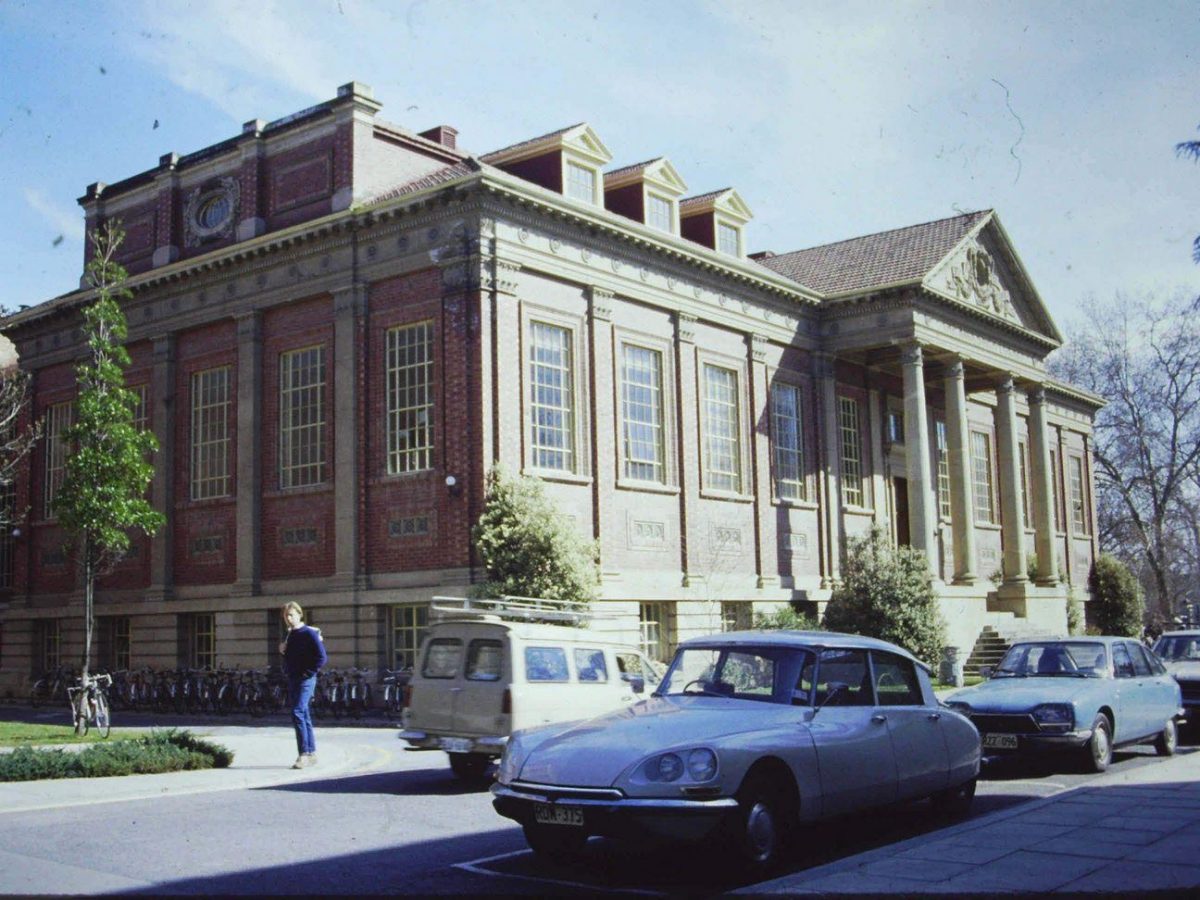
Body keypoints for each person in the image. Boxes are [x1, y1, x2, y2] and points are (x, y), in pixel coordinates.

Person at [280, 601, 327, 769]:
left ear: (300, 614)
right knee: (304, 714)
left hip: (306, 679)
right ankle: (311, 753)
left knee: (297, 712)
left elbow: (321, 657)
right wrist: (283, 650)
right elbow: (291, 657)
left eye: (291, 614)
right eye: (286, 616)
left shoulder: (309, 633)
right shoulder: (291, 634)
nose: (289, 618)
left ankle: (304, 754)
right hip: (293, 678)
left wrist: (308, 673)